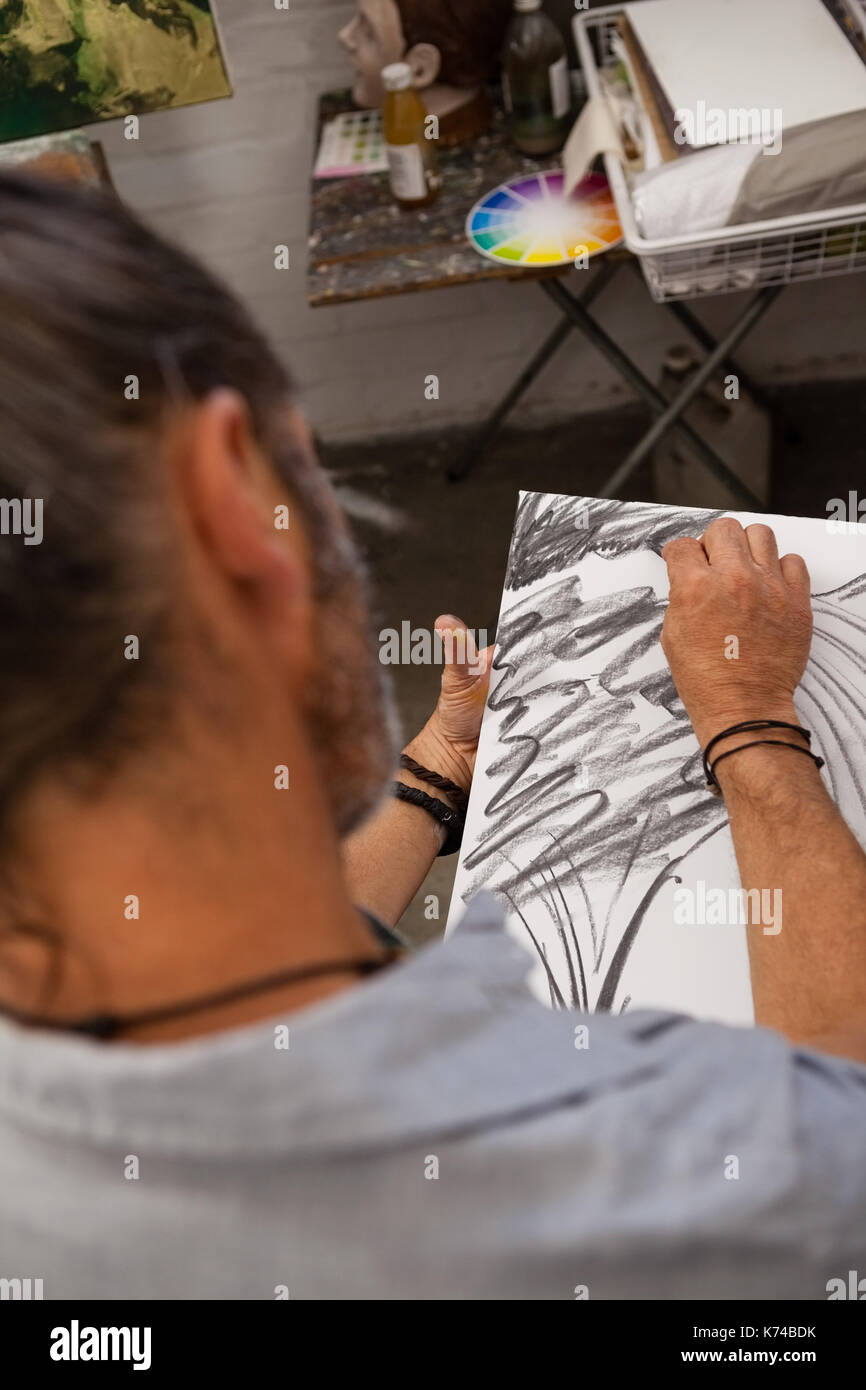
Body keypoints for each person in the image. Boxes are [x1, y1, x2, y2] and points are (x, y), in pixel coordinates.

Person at [0, 174, 863, 1301]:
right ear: (233, 513)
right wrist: (748, 719)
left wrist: (435, 775)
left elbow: (231, 946)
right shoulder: (663, 1173)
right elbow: (836, 1096)